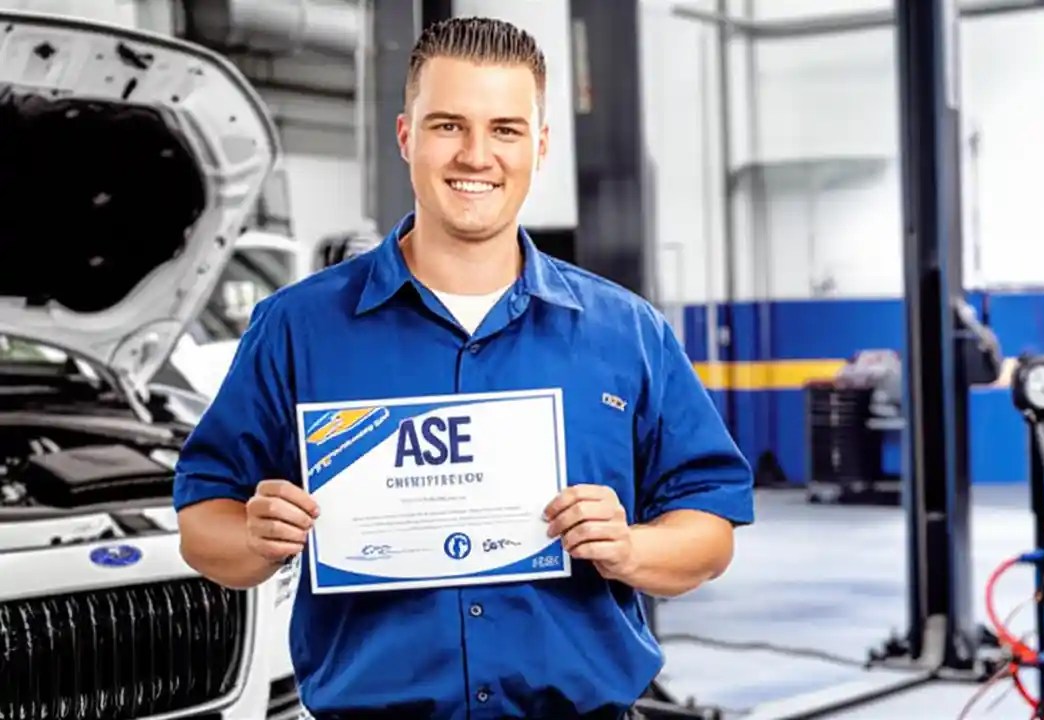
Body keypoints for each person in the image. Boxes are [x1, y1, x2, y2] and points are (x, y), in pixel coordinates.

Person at [173, 15, 755, 720]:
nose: (477, 155)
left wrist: (628, 547)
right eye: (448, 125)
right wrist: (255, 540)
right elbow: (205, 525)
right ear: (406, 137)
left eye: (506, 129)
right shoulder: (299, 329)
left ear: (538, 146)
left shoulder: (624, 332)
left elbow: (710, 529)